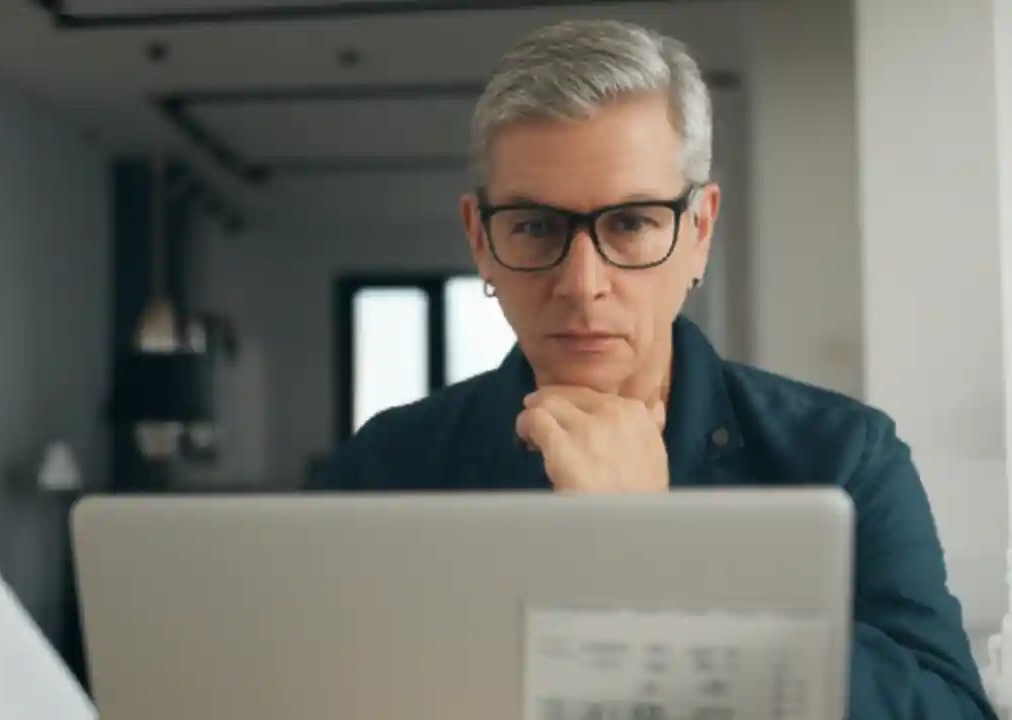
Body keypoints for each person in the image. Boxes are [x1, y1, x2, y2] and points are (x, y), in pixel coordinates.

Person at [312, 19, 994, 719]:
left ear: (699, 231)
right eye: (535, 226)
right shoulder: (388, 467)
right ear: (480, 240)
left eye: (631, 223)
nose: (583, 284)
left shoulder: (845, 455)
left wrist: (669, 550)